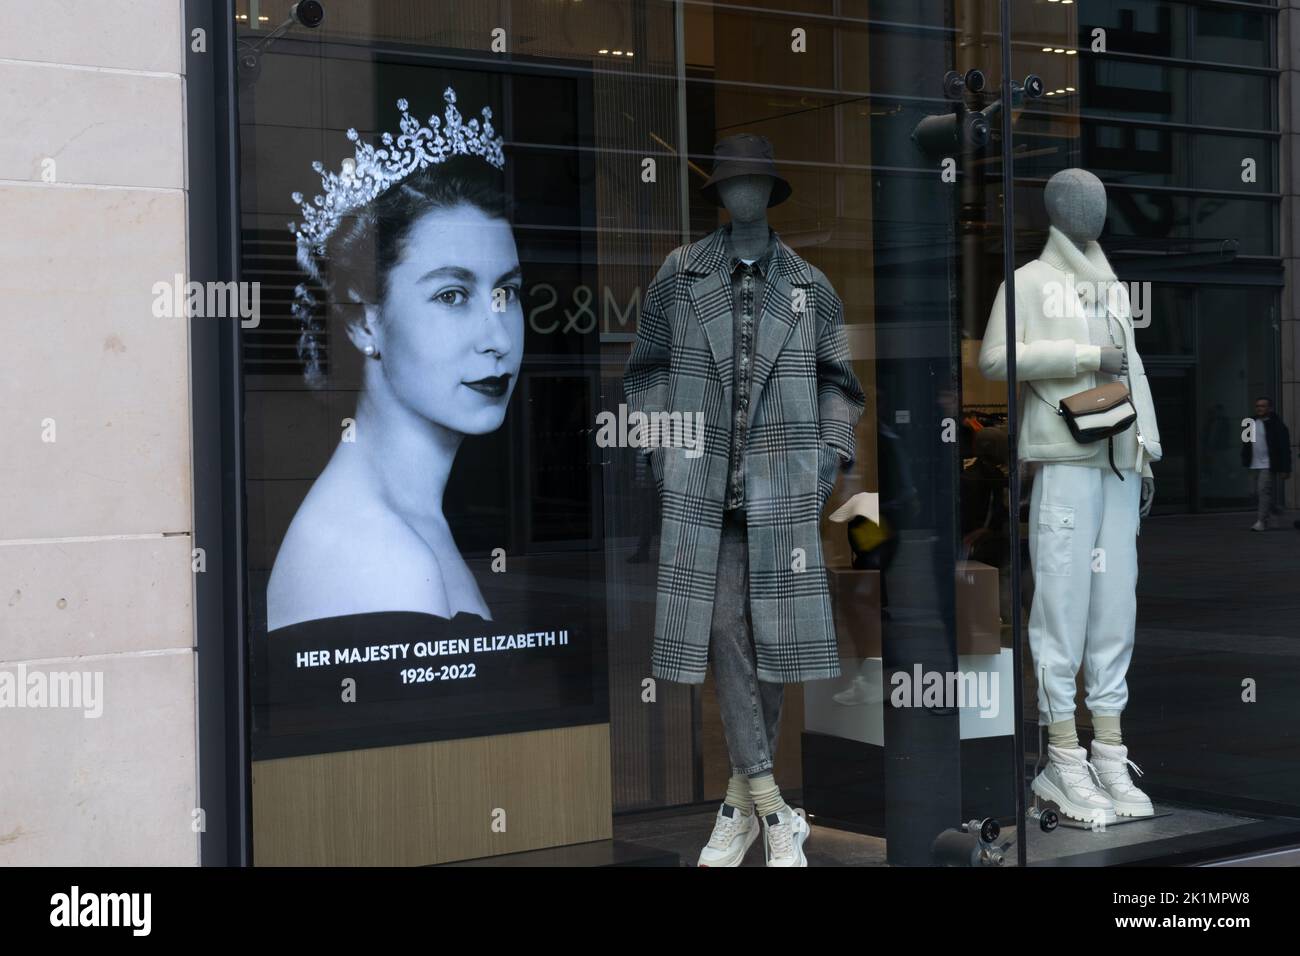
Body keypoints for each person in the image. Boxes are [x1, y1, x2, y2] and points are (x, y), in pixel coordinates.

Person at [268, 91, 519, 631]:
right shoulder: (383, 558)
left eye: (506, 293)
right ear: (363, 321)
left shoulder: (407, 519)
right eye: (452, 295)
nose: (496, 337)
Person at [1242, 396, 1291, 531]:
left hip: (1268, 464)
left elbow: (1285, 448)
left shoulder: (1278, 425)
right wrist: (1245, 459)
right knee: (1253, 493)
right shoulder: (1249, 422)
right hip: (1253, 464)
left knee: (1263, 491)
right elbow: (1245, 444)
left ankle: (1261, 521)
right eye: (1258, 406)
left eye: (1263, 406)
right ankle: (1274, 510)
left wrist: (1286, 468)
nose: (1259, 408)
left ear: (1270, 408)